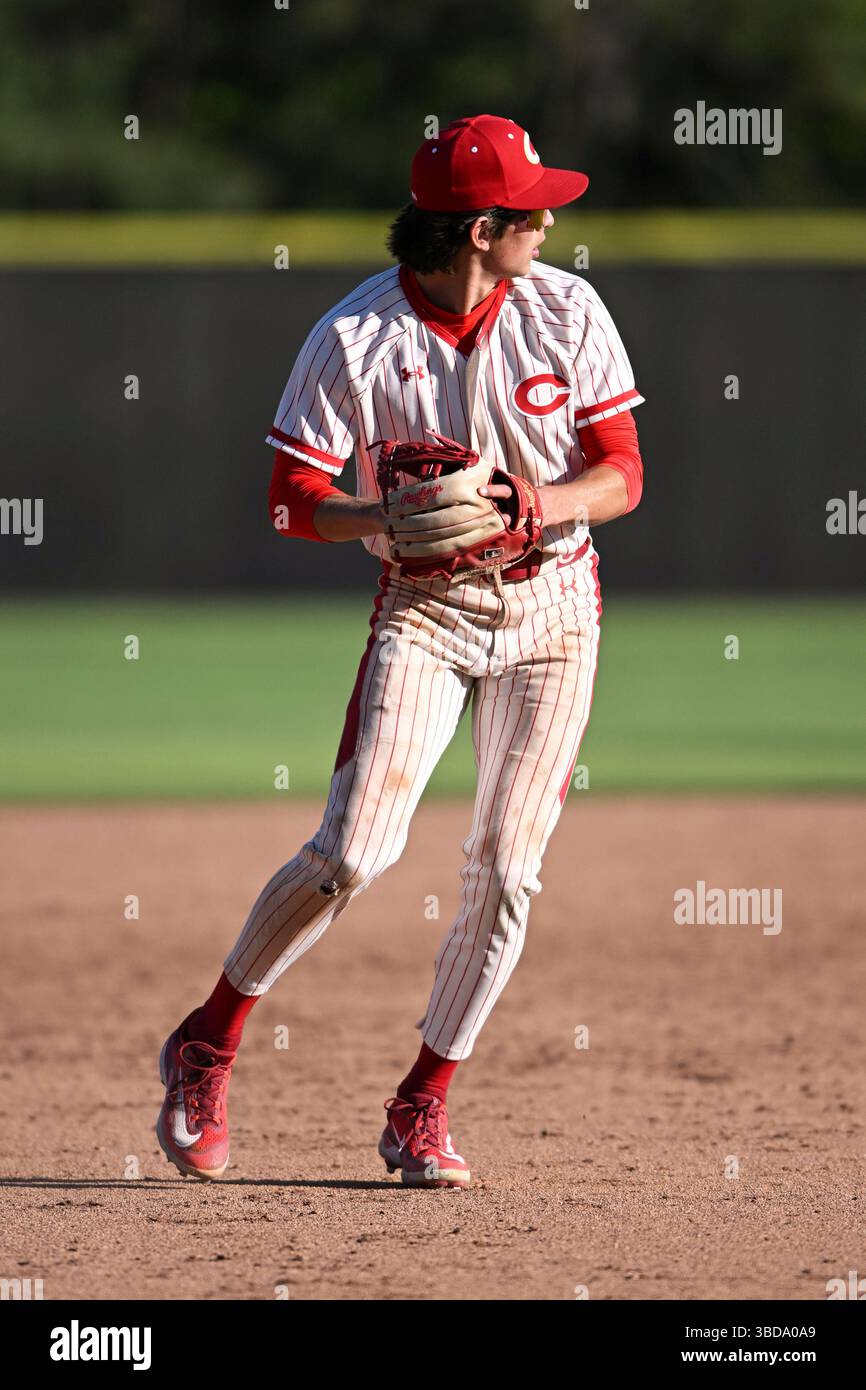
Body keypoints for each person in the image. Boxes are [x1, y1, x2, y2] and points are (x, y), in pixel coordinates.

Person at [157, 114, 645, 1188]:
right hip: (424, 609)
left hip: (554, 607)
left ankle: (422, 1102)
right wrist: (371, 515)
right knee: (350, 851)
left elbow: (621, 473)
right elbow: (289, 505)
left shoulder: (567, 308)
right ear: (477, 228)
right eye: (529, 207)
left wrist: (540, 500)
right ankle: (209, 1040)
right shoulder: (351, 339)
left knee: (508, 870)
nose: (548, 218)